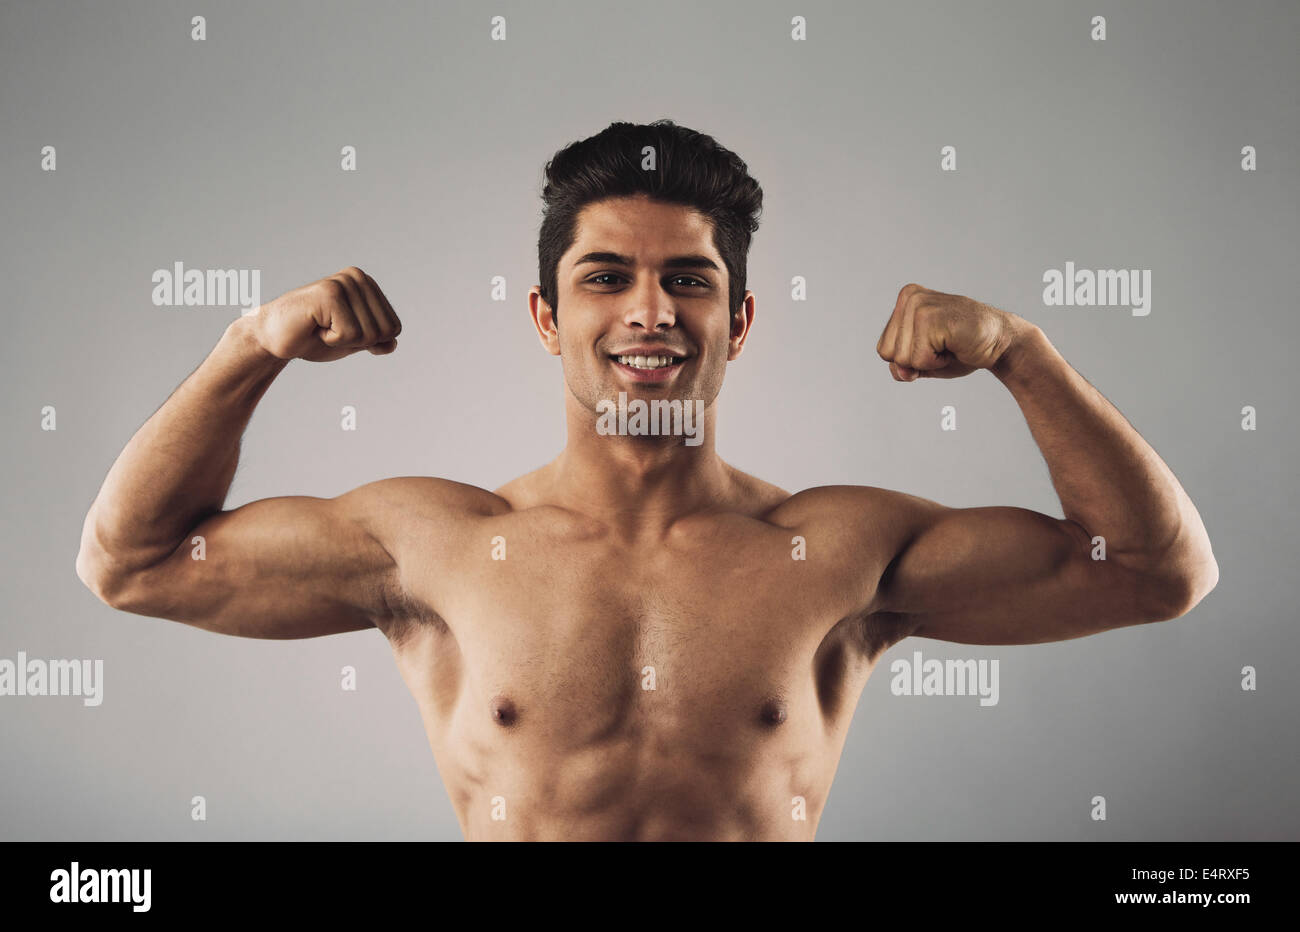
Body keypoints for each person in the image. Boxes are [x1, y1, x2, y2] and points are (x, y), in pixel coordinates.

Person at [75, 120, 1218, 840]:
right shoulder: (432, 542)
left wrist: (1024, 352)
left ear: (740, 318)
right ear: (545, 315)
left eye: (689, 279)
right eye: (605, 276)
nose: (651, 311)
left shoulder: (838, 549)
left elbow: (1157, 572)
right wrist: (248, 344)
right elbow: (131, 561)